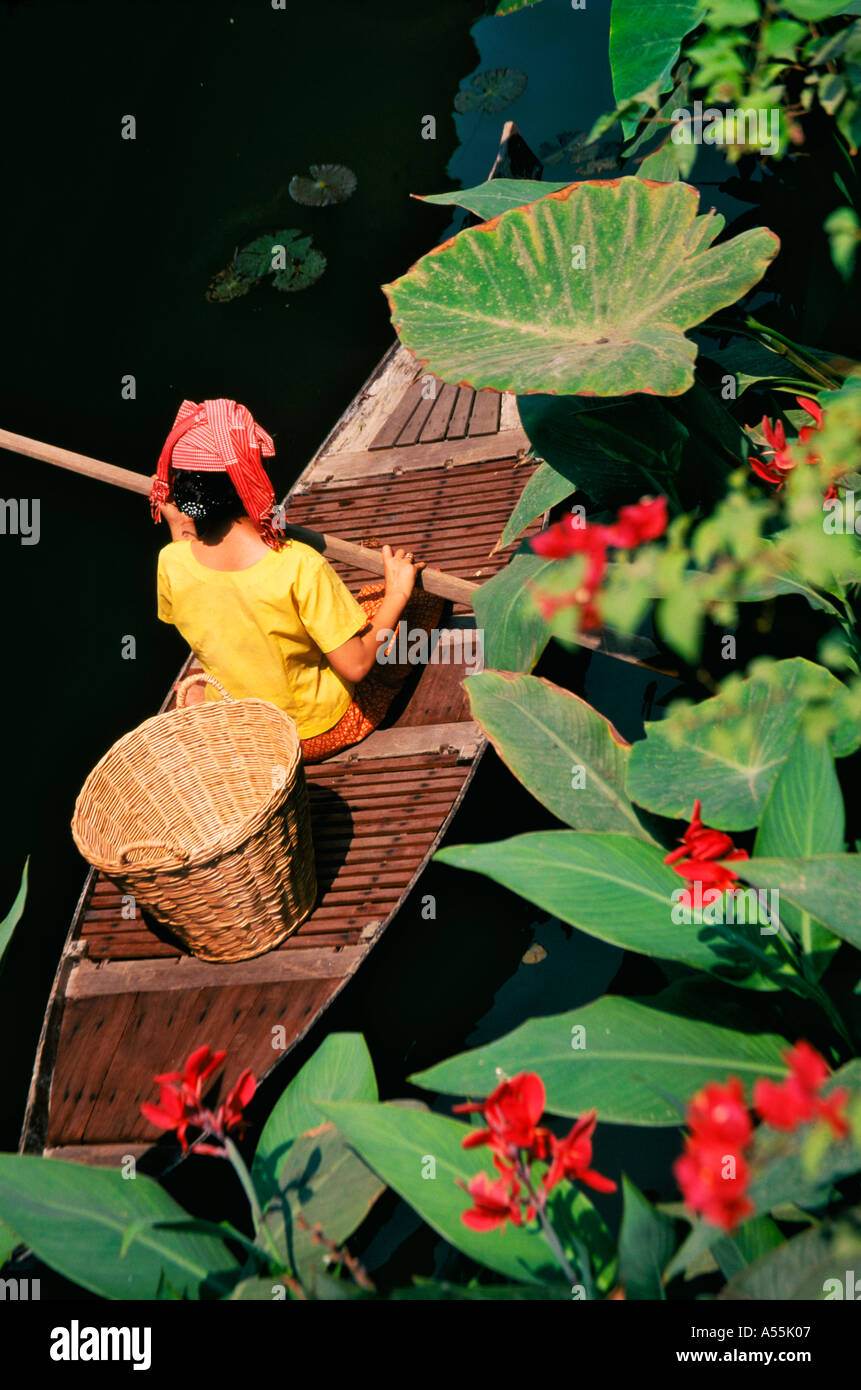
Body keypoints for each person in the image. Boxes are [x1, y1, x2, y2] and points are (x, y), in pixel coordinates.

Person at [150, 397, 443, 762]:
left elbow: (201, 587)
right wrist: (398, 593)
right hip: (312, 732)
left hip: (252, 732)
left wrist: (181, 527)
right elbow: (356, 665)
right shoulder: (298, 565)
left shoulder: (172, 560)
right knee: (417, 601)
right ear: (252, 478)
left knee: (196, 684)